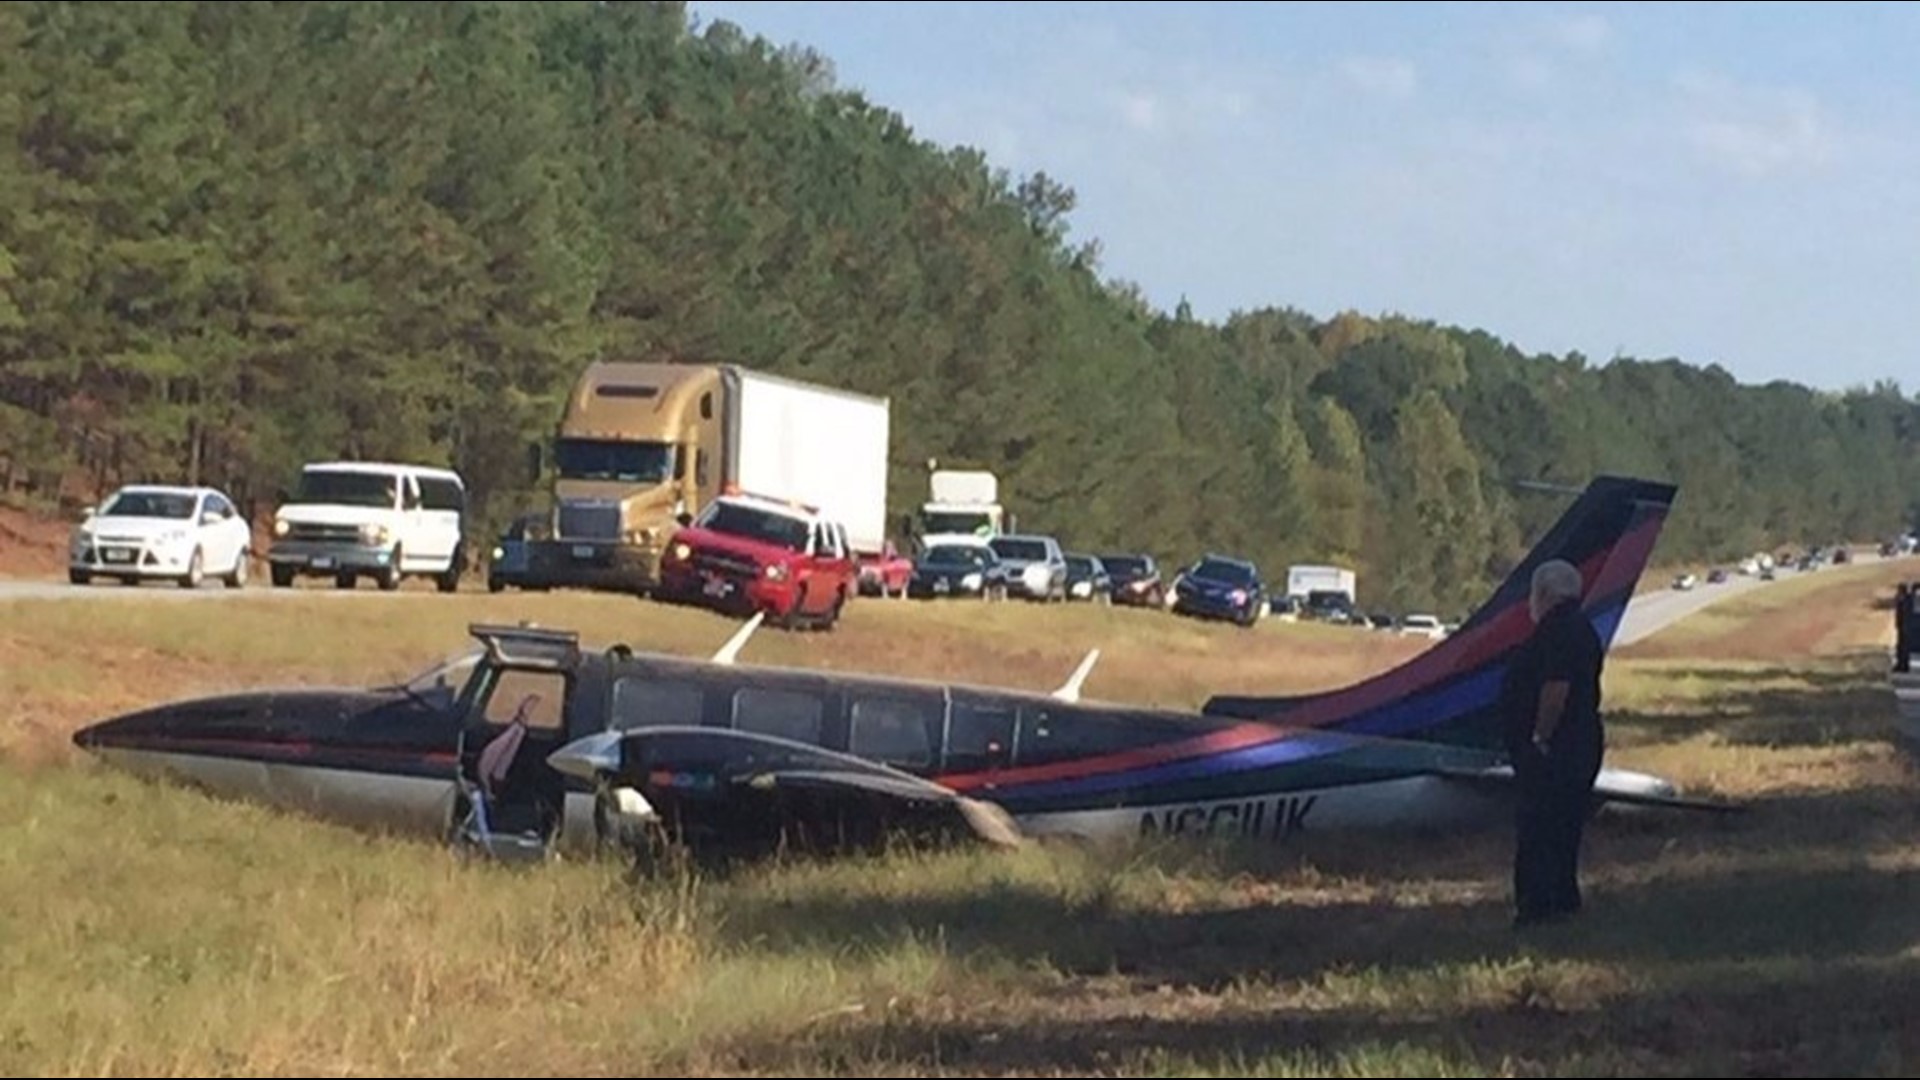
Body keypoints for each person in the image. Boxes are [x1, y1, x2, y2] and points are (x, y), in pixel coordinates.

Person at [1500, 558, 1606, 928]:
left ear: (1543, 593)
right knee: (1564, 829)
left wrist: (1539, 738)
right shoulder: (1583, 628)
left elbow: (1555, 689)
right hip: (1582, 741)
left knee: (1539, 828)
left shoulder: (1557, 632)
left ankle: (1537, 907)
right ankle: (1563, 901)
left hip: (1557, 748)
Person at [1896, 583, 1913, 674]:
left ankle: (1903, 665)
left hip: (1905, 626)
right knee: (1901, 646)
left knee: (1904, 646)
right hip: (1902, 626)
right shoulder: (1902, 601)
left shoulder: (1906, 601)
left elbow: (1905, 615)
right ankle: (1901, 664)